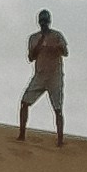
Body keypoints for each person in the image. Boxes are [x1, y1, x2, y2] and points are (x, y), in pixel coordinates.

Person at [17, 8, 68, 146]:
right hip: (39, 76)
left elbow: (65, 52)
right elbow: (31, 57)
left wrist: (57, 47)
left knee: (57, 109)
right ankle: (21, 134)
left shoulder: (57, 35)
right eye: (42, 22)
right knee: (25, 102)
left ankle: (60, 140)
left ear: (49, 22)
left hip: (54, 77)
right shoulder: (34, 38)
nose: (44, 24)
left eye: (45, 22)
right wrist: (40, 43)